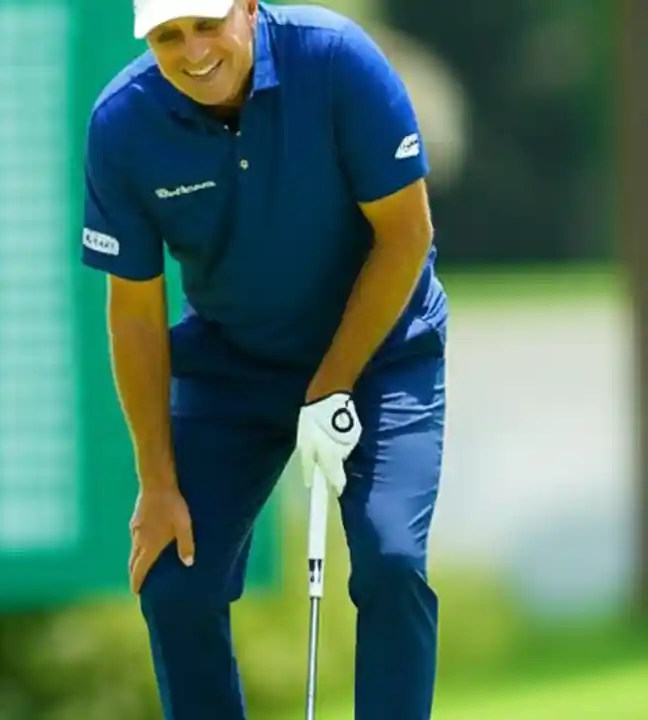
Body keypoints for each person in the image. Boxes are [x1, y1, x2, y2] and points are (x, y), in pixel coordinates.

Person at [79, 1, 449, 718]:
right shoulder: (123, 124)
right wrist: (156, 483)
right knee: (173, 580)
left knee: (391, 562)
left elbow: (406, 235)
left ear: (248, 8)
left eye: (208, 24)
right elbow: (133, 312)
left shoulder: (336, 59)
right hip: (235, 360)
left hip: (381, 349)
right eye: (167, 36)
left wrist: (332, 384)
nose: (192, 52)